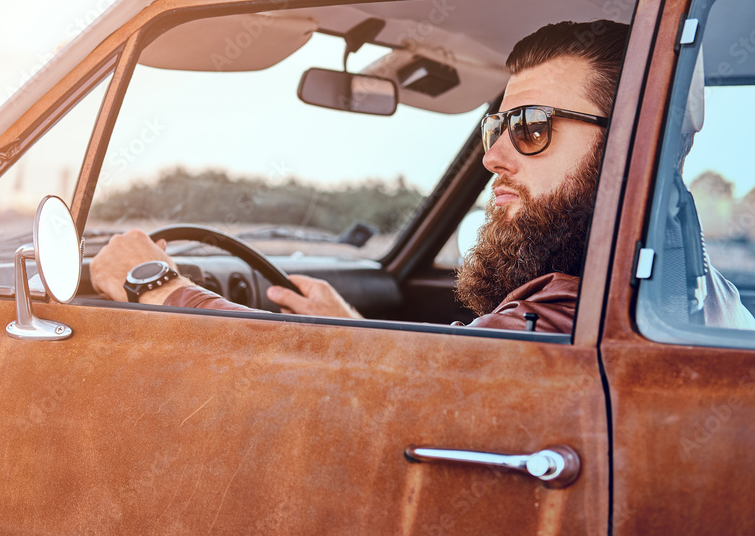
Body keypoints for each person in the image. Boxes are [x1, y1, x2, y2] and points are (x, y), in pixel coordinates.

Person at [90, 20, 629, 334]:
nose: (494, 156)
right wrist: (347, 326)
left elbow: (404, 392)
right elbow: (419, 377)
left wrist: (161, 287)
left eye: (532, 126)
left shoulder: (561, 318)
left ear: (626, 141)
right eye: (497, 127)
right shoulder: (649, 293)